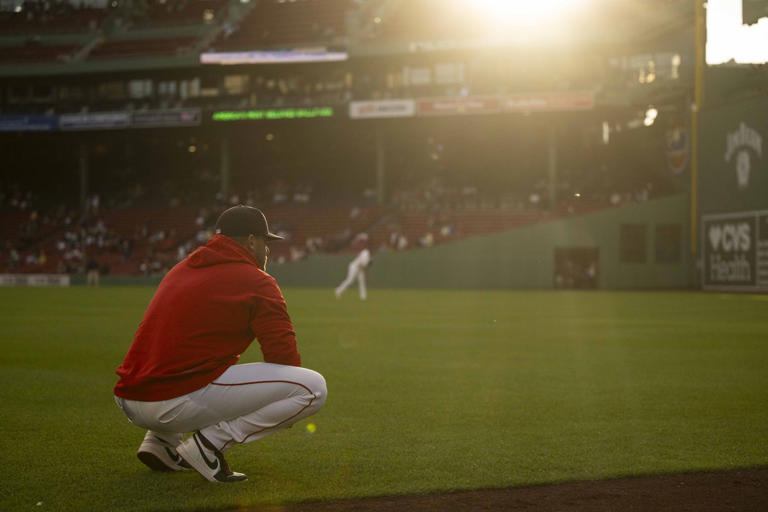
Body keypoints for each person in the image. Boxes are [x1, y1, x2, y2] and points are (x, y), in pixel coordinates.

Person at [113, 205, 327, 483]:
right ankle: (209, 444)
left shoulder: (182, 268)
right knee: (311, 388)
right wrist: (278, 410)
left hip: (130, 397)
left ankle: (160, 443)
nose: (267, 250)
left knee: (193, 363)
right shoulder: (258, 281)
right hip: (172, 402)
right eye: (265, 241)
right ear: (251, 240)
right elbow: (283, 359)